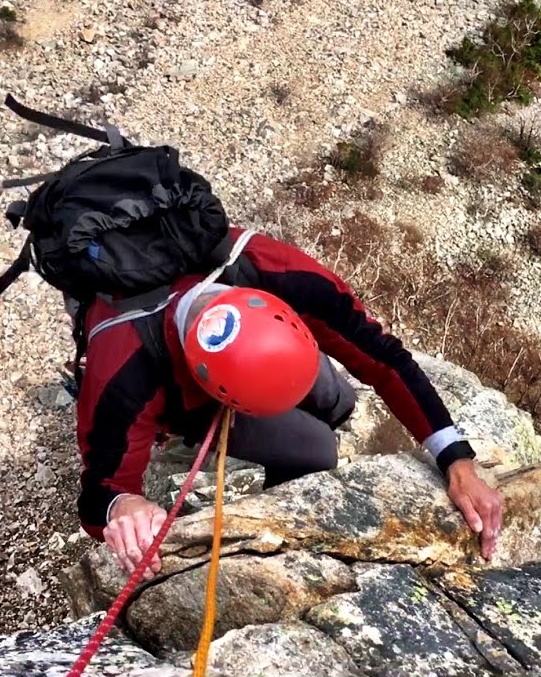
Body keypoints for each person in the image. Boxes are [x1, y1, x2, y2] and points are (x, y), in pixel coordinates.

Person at [73, 226, 505, 579]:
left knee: (339, 400)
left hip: (251, 345)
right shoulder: (122, 373)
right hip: (187, 394)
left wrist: (456, 459)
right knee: (314, 450)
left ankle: (308, 408)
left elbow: (384, 358)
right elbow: (97, 498)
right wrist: (123, 505)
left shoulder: (276, 271)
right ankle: (270, 518)